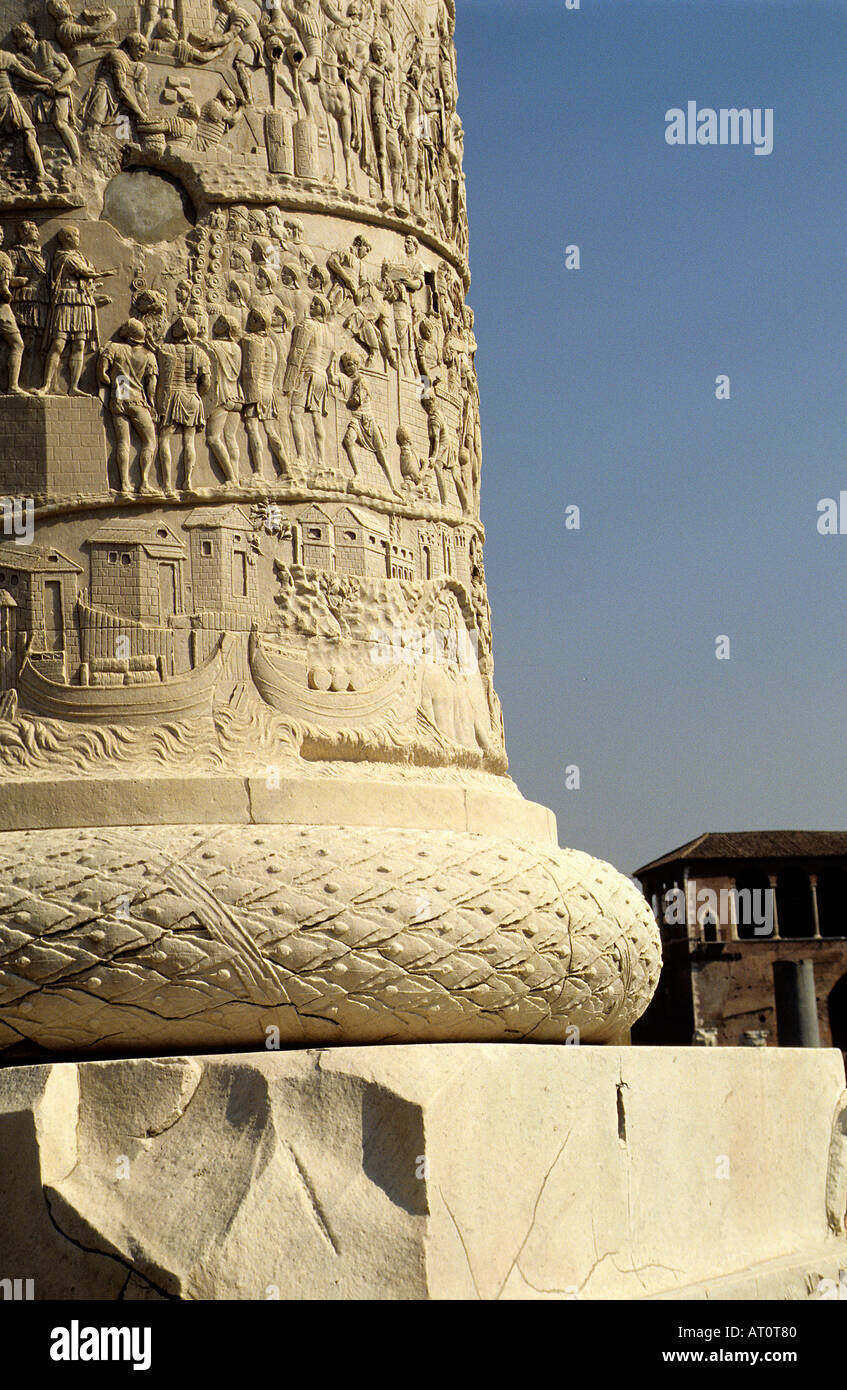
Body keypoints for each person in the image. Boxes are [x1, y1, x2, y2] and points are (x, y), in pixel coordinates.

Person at [38, 226, 117, 397]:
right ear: (67, 237)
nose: (78, 239)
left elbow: (86, 278)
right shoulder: (64, 257)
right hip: (66, 299)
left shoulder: (79, 256)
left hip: (82, 301)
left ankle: (73, 386)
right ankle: (47, 385)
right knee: (58, 343)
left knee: (79, 344)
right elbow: (85, 272)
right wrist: (105, 273)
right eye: (75, 236)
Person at [98, 319, 159, 495]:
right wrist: (151, 401)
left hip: (121, 394)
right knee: (149, 441)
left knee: (123, 442)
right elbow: (151, 383)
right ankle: (144, 482)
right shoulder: (148, 355)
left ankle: (124, 484)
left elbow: (102, 373)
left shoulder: (114, 348)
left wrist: (115, 384)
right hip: (138, 398)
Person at [12, 22, 80, 164]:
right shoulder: (23, 59)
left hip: (59, 90)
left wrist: (56, 87)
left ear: (27, 36)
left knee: (60, 123)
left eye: (18, 38)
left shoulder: (45, 47)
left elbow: (70, 71)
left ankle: (77, 159)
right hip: (40, 95)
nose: (16, 42)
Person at [157, 316, 211, 494]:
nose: (174, 327)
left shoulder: (167, 348)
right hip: (193, 397)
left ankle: (166, 484)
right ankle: (187, 481)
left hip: (174, 396)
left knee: (164, 438)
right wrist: (197, 392)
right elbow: (206, 383)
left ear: (186, 331)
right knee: (189, 441)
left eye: (179, 326)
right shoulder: (201, 354)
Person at [284, 294, 337, 466]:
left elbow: (297, 352)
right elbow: (331, 359)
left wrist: (289, 382)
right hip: (321, 377)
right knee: (316, 418)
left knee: (295, 414)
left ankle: (301, 457)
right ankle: (321, 460)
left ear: (322, 309)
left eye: (316, 304)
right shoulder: (330, 333)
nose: (311, 305)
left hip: (306, 373)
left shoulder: (307, 325)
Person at [240, 305, 289, 481]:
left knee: (252, 429)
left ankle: (259, 471)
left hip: (255, 390)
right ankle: (285, 468)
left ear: (257, 322)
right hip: (269, 390)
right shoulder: (272, 343)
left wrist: (245, 393)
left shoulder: (250, 340)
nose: (248, 322)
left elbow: (249, 369)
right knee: (271, 431)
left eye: (251, 319)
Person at [0, 42, 57, 182]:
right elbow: (26, 74)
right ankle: (41, 173)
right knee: (29, 132)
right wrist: (46, 81)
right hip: (6, 99)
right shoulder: (4, 56)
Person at [11, 221, 49, 387]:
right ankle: (14, 382)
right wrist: (17, 281)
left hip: (40, 299)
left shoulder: (43, 254)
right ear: (24, 233)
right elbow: (6, 278)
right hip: (23, 298)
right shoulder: (15, 253)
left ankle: (27, 381)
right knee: (20, 340)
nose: (37, 233)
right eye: (33, 230)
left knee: (35, 343)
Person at [206, 313, 243, 485]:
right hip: (236, 395)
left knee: (213, 438)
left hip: (220, 396)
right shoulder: (237, 348)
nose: (216, 323)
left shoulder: (212, 346)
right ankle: (236, 475)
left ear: (226, 328)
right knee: (230, 437)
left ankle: (231, 477)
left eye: (220, 322)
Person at [0, 229, 25, 396]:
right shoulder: (2, 258)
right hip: (1, 308)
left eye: (2, 233)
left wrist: (15, 282)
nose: (2, 237)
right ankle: (13, 386)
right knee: (17, 344)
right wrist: (9, 294)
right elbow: (3, 287)